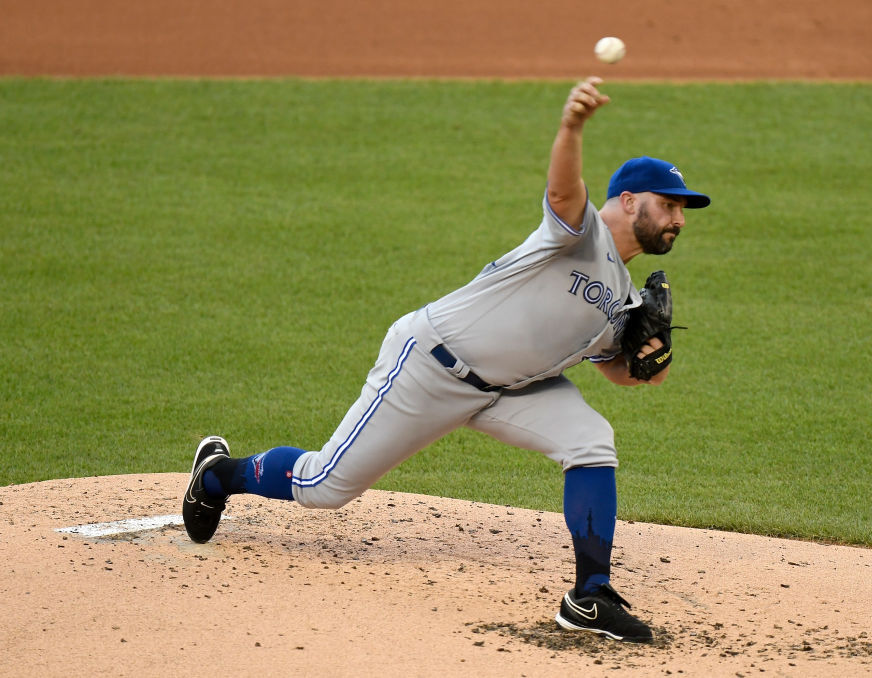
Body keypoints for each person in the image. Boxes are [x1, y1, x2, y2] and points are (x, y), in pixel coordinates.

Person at [182, 76, 710, 643]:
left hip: (512, 390)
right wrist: (572, 126)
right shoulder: (578, 234)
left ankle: (590, 595)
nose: (678, 218)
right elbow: (562, 191)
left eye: (683, 209)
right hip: (431, 365)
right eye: (669, 204)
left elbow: (618, 371)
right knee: (325, 487)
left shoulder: (626, 298)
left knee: (591, 440)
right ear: (629, 201)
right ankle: (216, 477)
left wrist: (653, 361)